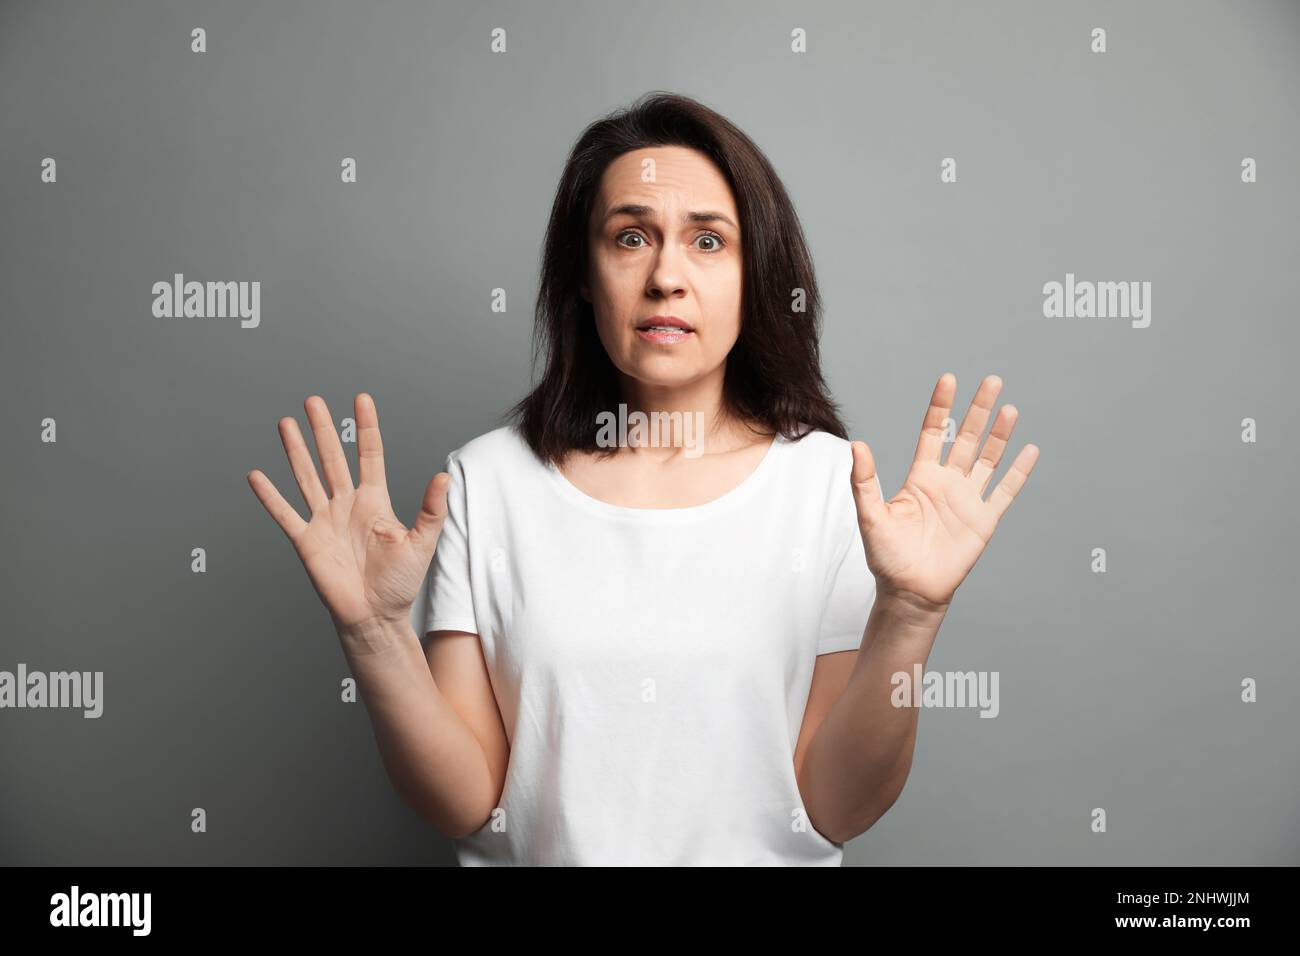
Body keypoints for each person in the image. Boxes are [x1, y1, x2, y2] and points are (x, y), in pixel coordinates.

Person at [246, 92, 1039, 866]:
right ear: (583, 277)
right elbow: (468, 800)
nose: (666, 276)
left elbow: (835, 806)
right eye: (630, 238)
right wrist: (374, 635)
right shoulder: (486, 485)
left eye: (707, 241)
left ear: (753, 274)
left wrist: (911, 614)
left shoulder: (831, 488)